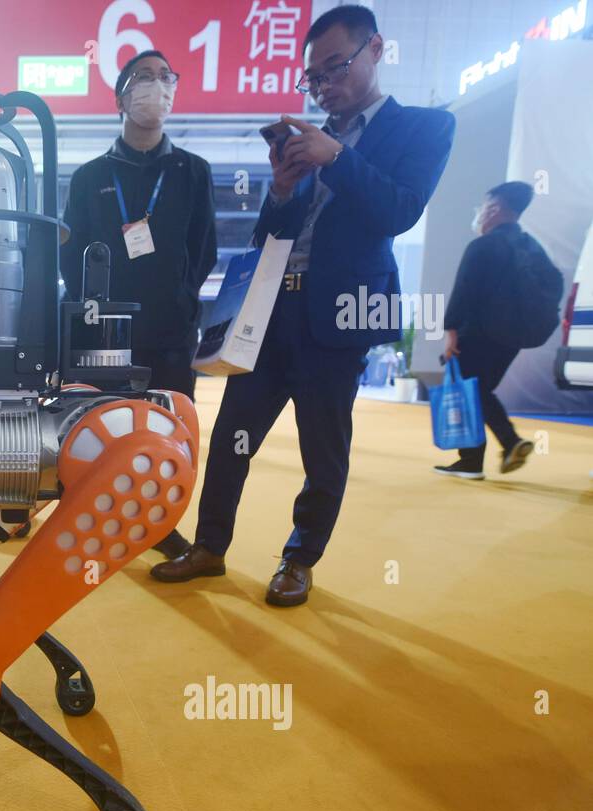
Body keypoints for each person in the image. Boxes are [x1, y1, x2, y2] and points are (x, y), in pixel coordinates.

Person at [151, 4, 454, 607]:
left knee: (323, 446)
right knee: (234, 433)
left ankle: (298, 559)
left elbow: (399, 210)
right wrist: (283, 190)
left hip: (339, 314)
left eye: (334, 68)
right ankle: (210, 546)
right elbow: (273, 234)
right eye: (312, 78)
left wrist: (336, 158)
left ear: (375, 50)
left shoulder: (423, 127)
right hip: (270, 314)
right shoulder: (313, 139)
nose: (323, 86)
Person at [60, 47, 217, 557]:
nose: (156, 86)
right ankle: (96, 514)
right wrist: (90, 310)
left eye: (164, 77)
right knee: (101, 424)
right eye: (143, 77)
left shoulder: (193, 171)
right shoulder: (90, 177)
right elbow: (71, 252)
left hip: (172, 329)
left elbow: (204, 249)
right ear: (120, 97)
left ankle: (158, 525)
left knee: (169, 430)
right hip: (104, 331)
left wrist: (177, 295)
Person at [434, 181, 540, 479]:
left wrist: (451, 333)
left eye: (483, 206)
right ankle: (480, 456)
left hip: (478, 333)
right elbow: (551, 285)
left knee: (472, 390)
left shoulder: (483, 245)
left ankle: (497, 448)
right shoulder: (531, 247)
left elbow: (463, 292)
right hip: (513, 337)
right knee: (479, 391)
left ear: (493, 208)